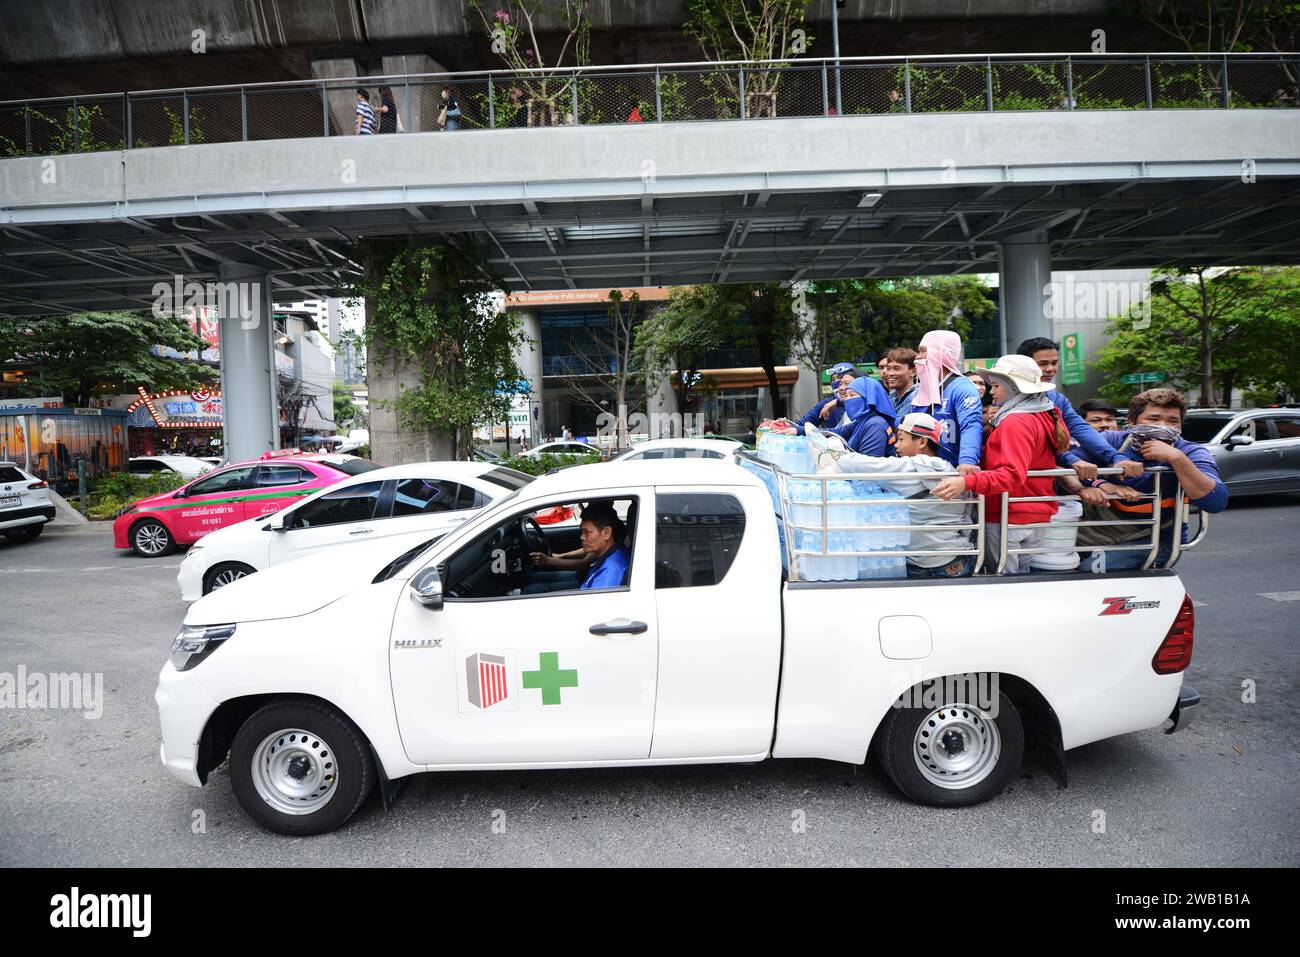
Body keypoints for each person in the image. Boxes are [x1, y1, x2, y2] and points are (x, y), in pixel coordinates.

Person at [931, 354, 1070, 574]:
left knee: (1003, 579)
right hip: (1035, 513)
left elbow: (1012, 474)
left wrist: (967, 482)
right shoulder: (1044, 413)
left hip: (1009, 515)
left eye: (996, 385)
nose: (991, 392)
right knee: (1021, 581)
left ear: (1014, 387)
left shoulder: (1016, 420)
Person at [1074, 388, 1229, 572]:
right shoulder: (1112, 440)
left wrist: (1177, 459)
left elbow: (1215, 502)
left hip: (1155, 538)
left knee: (1087, 571)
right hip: (1100, 531)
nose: (1163, 426)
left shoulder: (1192, 452)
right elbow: (1066, 466)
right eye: (1153, 419)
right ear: (1131, 422)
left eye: (1172, 421)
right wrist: (1099, 484)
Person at [806, 414, 975, 578]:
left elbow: (871, 465)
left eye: (901, 439)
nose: (896, 445)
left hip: (926, 562)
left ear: (922, 442)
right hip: (955, 557)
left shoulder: (916, 467)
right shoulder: (948, 469)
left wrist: (834, 454)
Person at [1017, 337, 1141, 484]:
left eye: (1055, 363)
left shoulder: (1057, 398)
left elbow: (1080, 428)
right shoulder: (1011, 399)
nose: (1050, 369)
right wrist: (1073, 460)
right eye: (1043, 364)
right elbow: (1038, 444)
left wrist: (1117, 457)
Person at [905, 329, 984, 474]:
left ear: (941, 353)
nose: (918, 357)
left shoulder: (962, 387)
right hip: (921, 469)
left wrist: (967, 461)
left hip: (952, 472)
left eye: (923, 351)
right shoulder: (920, 389)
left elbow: (971, 425)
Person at [830, 374, 897, 456]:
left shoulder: (875, 425)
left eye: (852, 395)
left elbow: (868, 464)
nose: (847, 400)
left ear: (868, 398)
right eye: (846, 395)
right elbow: (837, 432)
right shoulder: (862, 420)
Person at [576, 501, 630, 589]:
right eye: (582, 531)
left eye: (587, 532)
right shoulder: (608, 553)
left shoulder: (609, 572)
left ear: (606, 533)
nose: (582, 537)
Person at [793, 361, 854, 429]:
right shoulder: (826, 404)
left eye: (840, 377)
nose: (836, 382)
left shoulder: (864, 402)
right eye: (833, 379)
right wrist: (786, 425)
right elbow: (802, 424)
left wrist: (837, 402)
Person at [880, 347, 919, 417]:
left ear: (913, 371)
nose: (890, 373)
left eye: (896, 368)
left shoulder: (916, 399)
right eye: (888, 368)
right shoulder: (891, 397)